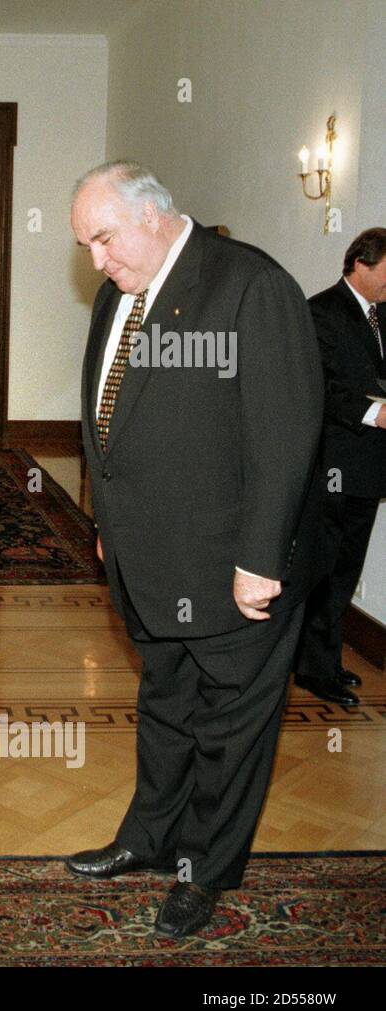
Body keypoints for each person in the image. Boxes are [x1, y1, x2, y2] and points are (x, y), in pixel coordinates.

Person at [65, 162, 323, 938]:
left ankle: (205, 870)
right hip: (150, 562)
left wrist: (260, 559)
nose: (96, 262)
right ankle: (149, 838)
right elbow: (111, 424)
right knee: (166, 706)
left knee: (231, 728)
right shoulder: (119, 293)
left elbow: (285, 437)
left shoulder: (249, 286)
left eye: (103, 239)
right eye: (85, 246)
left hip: (234, 566)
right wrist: (109, 520)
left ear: (152, 214)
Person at [293, 228, 386, 705]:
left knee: (346, 569)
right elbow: (320, 387)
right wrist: (375, 412)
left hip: (370, 467)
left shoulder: (381, 314)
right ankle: (313, 668)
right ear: (361, 264)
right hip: (336, 466)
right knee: (326, 570)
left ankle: (322, 660)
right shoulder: (321, 311)